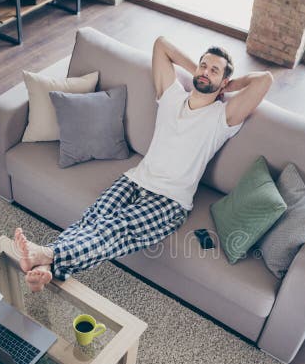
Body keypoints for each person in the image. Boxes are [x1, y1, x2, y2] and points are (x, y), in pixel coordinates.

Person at [15, 36, 273, 291]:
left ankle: (47, 253)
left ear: (224, 81)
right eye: (203, 66)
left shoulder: (223, 117)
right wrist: (199, 67)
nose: (205, 72)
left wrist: (231, 85)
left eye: (214, 70)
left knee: (115, 230)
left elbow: (265, 81)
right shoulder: (172, 95)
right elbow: (161, 44)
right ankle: (46, 269)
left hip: (169, 200)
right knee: (91, 221)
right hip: (135, 179)